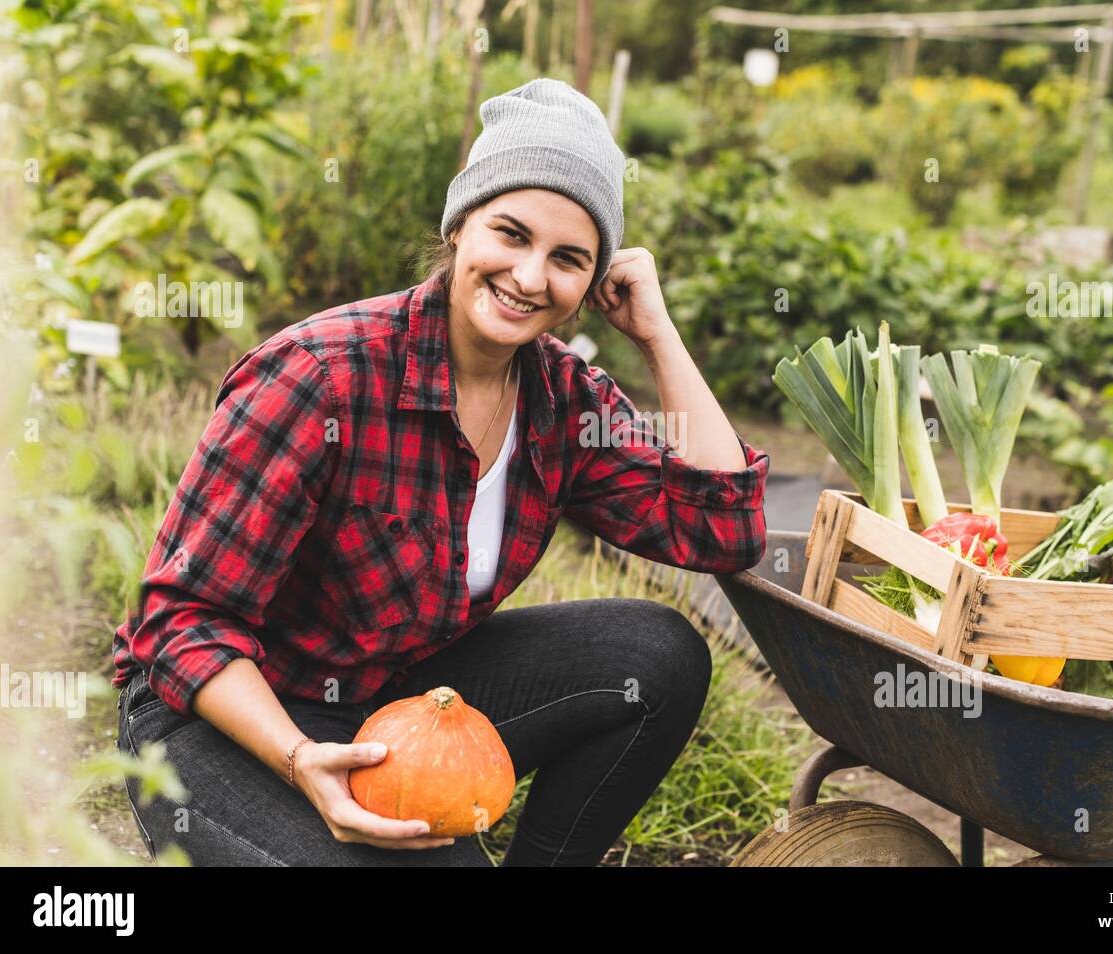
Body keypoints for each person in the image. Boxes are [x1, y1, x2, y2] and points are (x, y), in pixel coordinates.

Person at [113, 77, 769, 866]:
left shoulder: (562, 403)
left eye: (568, 258)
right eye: (512, 234)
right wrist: (297, 759)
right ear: (460, 225)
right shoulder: (322, 375)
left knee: (656, 654)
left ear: (595, 284)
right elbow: (181, 623)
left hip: (386, 698)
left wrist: (658, 334)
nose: (530, 278)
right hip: (219, 718)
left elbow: (723, 530)